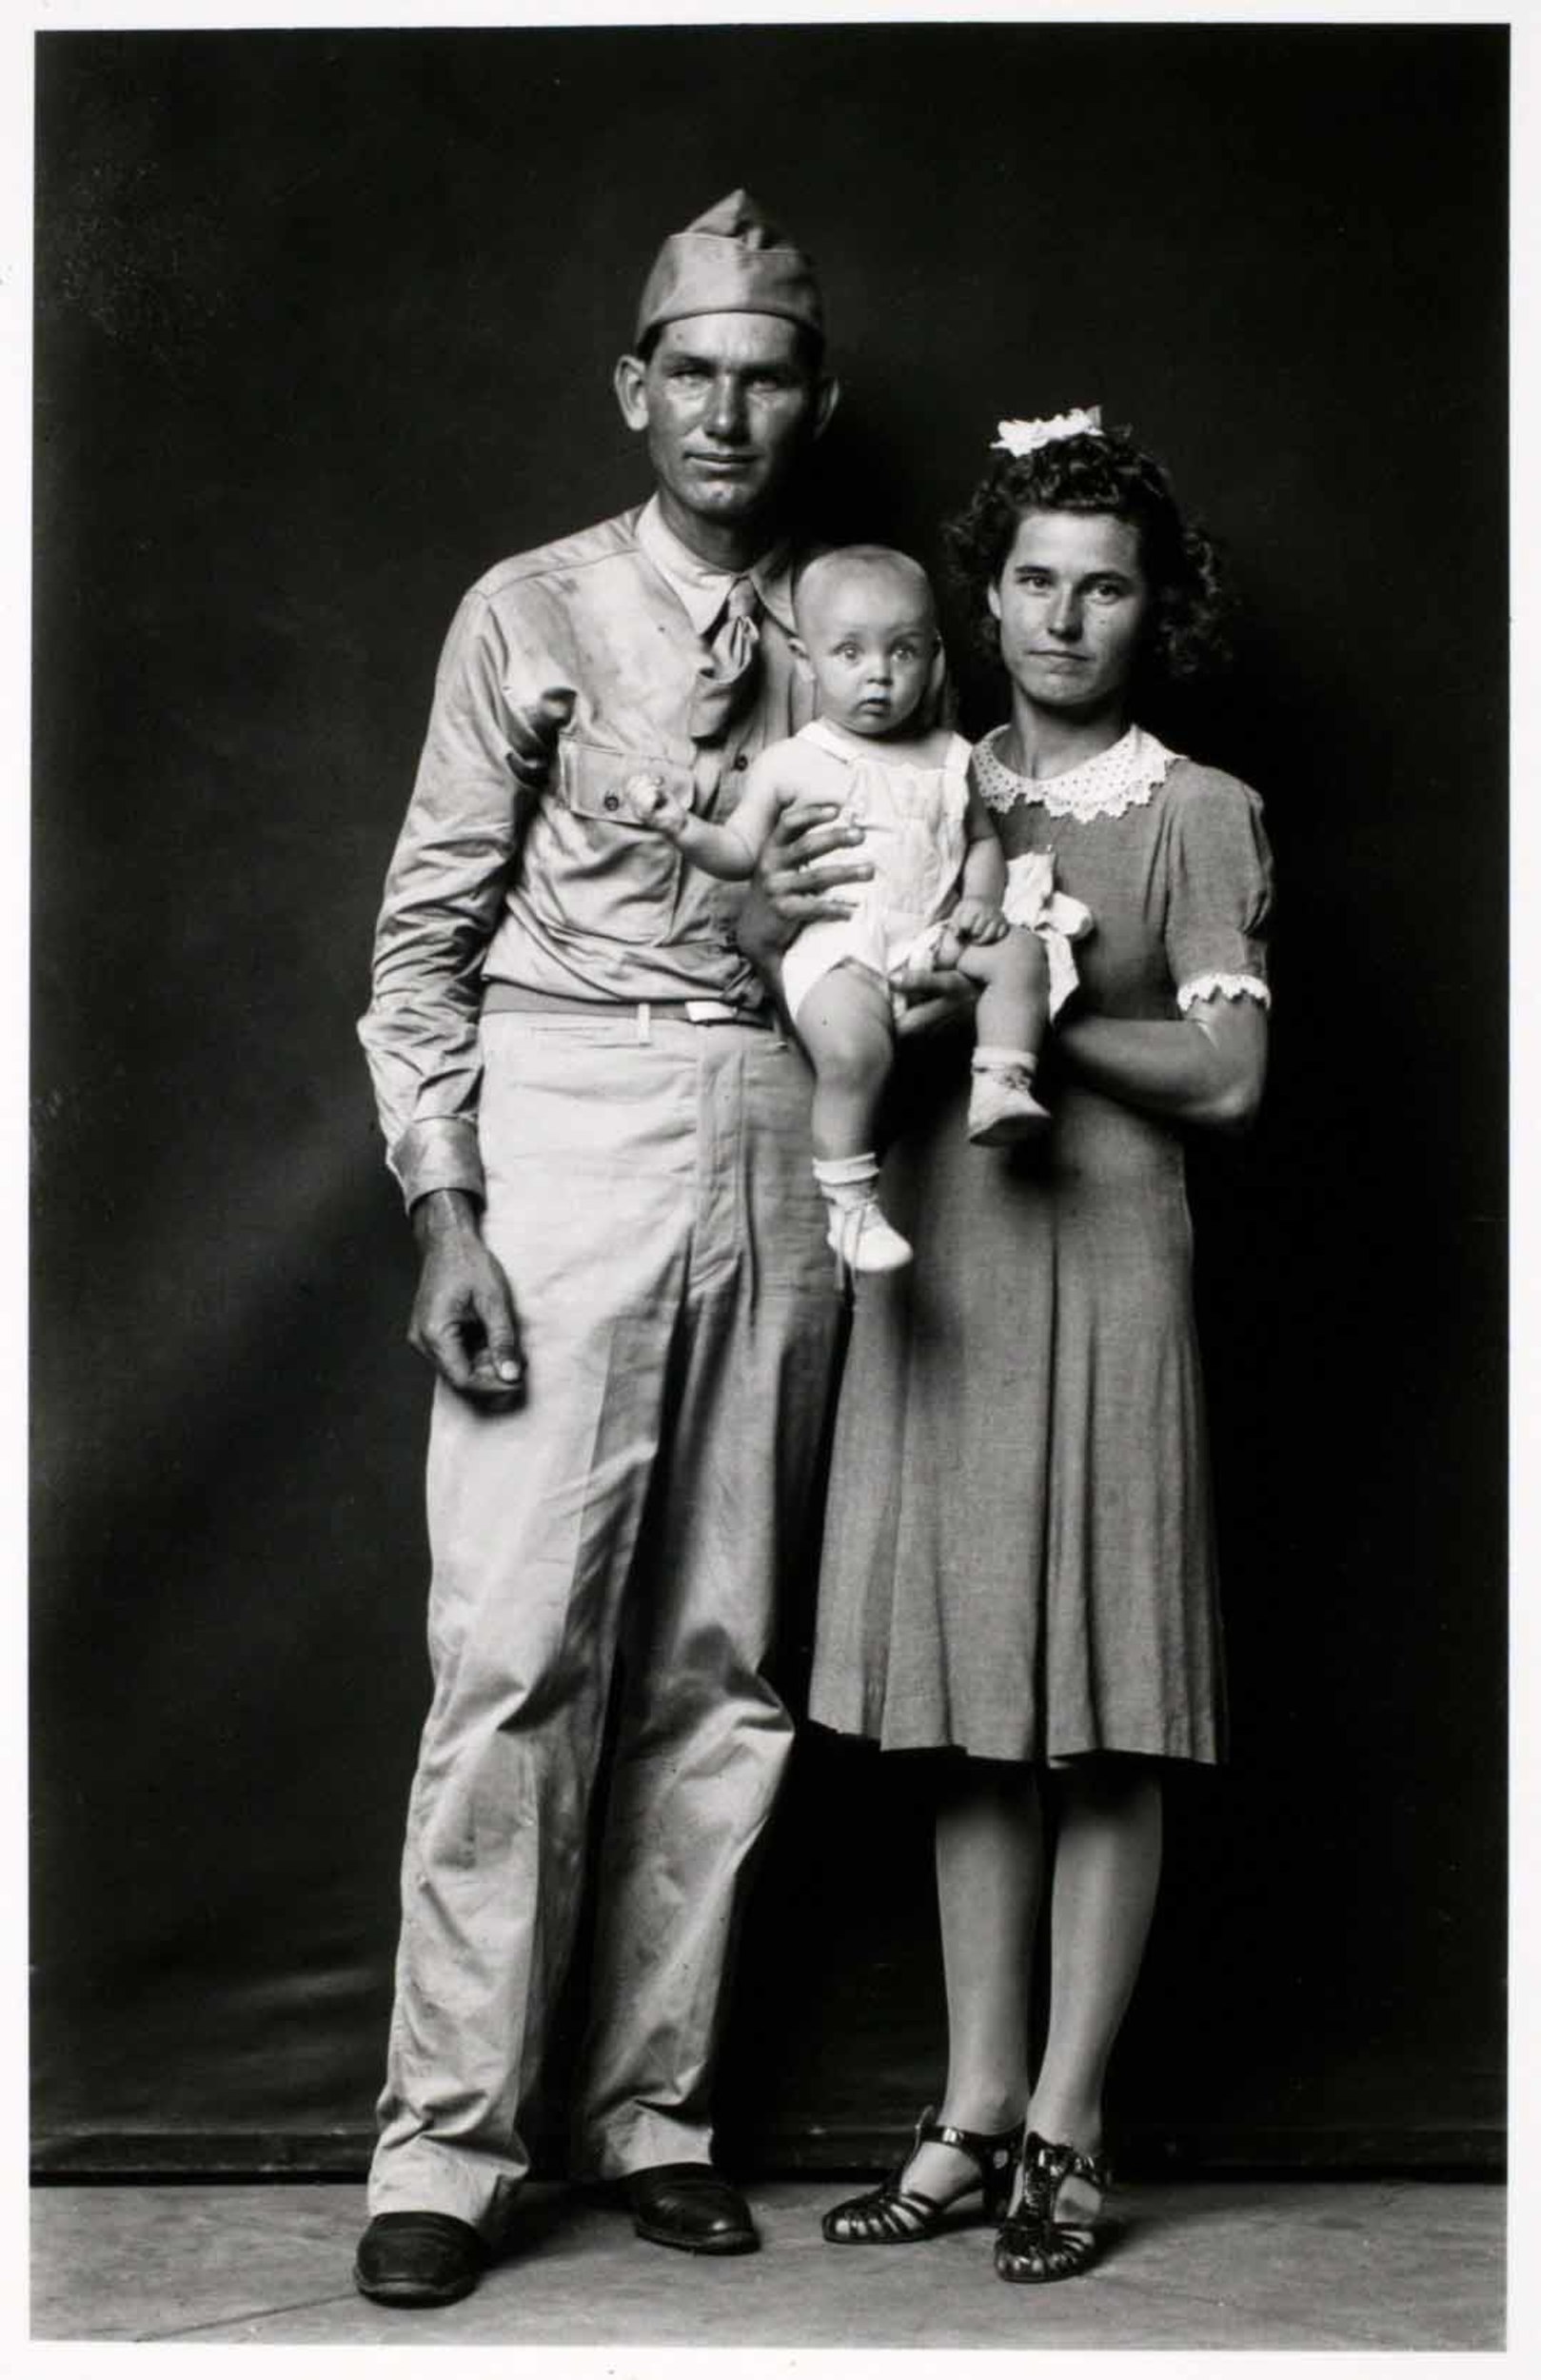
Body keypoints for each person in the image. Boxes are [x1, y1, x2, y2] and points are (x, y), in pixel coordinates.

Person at [352, 190, 859, 2308]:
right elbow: (420, 940)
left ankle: (653, 2105)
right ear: (630, 390)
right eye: (691, 373)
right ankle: (448, 2139)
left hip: (779, 1118)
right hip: (565, 1114)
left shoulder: (865, 626)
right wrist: (444, 1202)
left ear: (807, 401)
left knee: (721, 1653)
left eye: (763, 376)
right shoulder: (528, 610)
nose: (724, 411)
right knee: (512, 1645)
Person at [789, 408, 1273, 2282]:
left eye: (1106, 585)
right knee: (970, 1718)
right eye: (1034, 581)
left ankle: (1067, 2119)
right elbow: (819, 995)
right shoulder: (897, 772)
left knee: (1101, 1712)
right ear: (982, 597)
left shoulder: (1194, 810)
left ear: (1152, 609)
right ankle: (967, 2108)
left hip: (1104, 1273)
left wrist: (1035, 1012)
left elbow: (1226, 1079)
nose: (1065, 617)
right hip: (946, 1265)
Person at [630, 543, 1090, 1273]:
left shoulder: (951, 756)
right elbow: (739, 853)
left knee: (1021, 954)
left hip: (927, 933)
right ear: (806, 661)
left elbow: (978, 841)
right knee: (853, 1051)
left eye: (903, 652)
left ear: (934, 657)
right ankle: (849, 1208)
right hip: (839, 941)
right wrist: (683, 828)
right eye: (849, 653)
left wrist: (978, 900)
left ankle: (1000, 1083)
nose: (878, 675)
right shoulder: (792, 762)